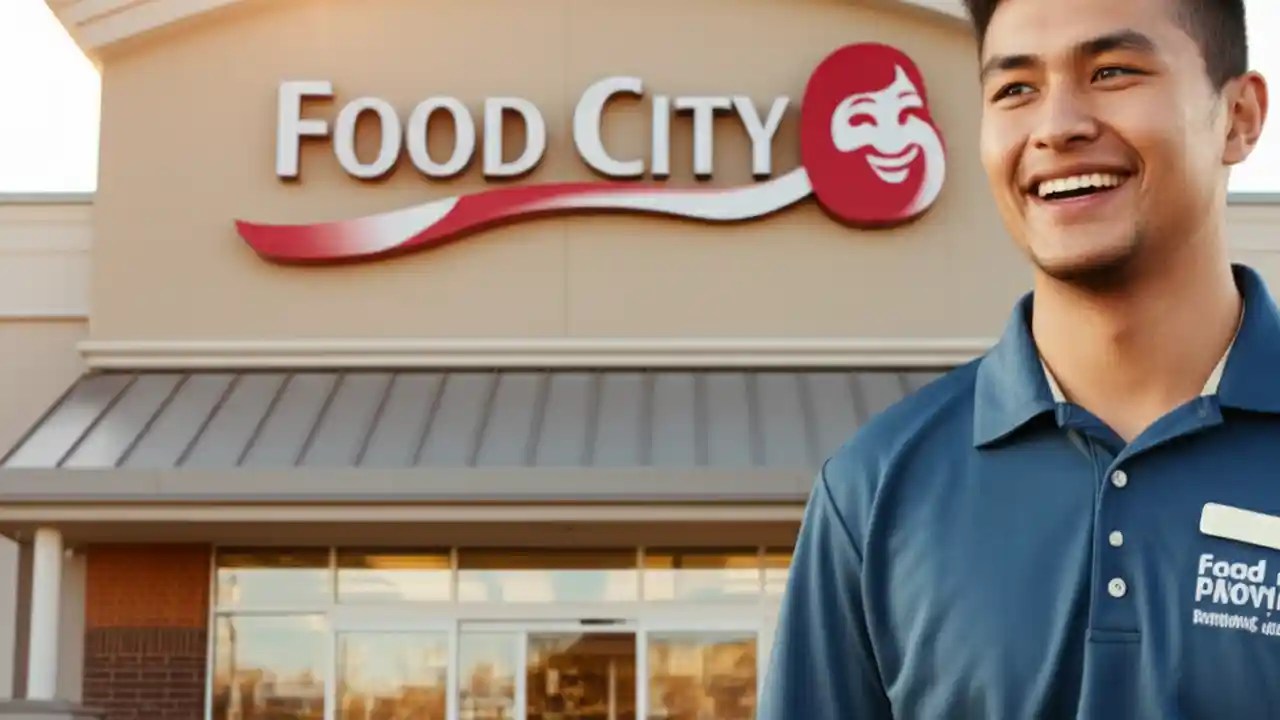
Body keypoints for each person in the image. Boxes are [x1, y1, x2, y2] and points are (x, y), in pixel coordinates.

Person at [759, 0, 1276, 718]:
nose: (1057, 126)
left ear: (1241, 116)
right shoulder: (874, 493)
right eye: (1016, 89)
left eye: (1113, 71)